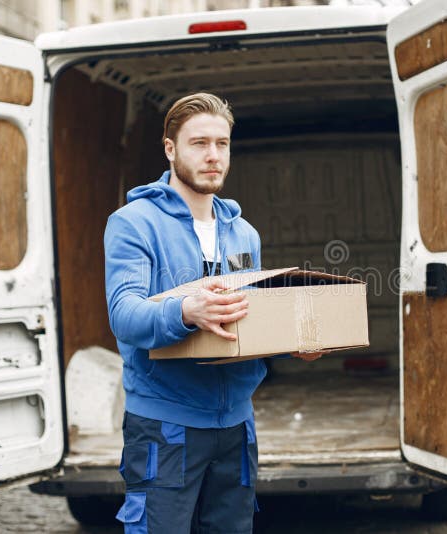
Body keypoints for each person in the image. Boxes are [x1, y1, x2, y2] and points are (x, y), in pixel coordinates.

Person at [104, 92, 324, 533]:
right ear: (170, 149)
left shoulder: (243, 233)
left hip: (236, 426)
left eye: (221, 144)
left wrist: (291, 345)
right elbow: (123, 314)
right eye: (199, 143)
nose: (213, 156)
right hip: (166, 425)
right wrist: (185, 311)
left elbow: (248, 318)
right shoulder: (134, 223)